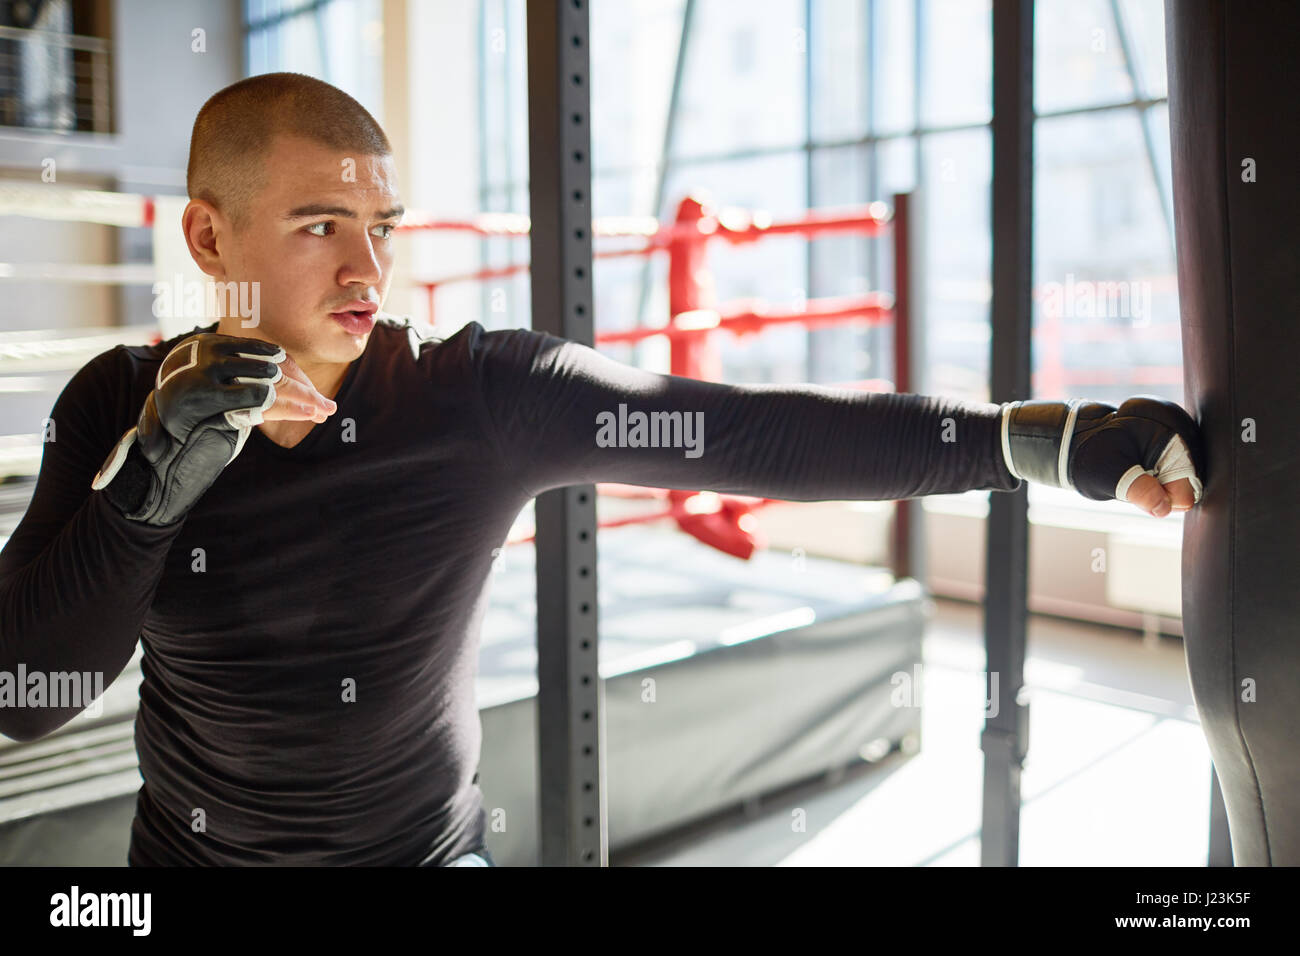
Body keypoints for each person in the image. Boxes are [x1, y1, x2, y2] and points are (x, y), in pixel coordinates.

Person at [0, 73, 1203, 866]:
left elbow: (751, 431)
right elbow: (23, 695)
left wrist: (1039, 440)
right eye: (321, 223)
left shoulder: (476, 393)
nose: (368, 265)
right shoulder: (115, 400)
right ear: (211, 236)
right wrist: (151, 486)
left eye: (385, 226)